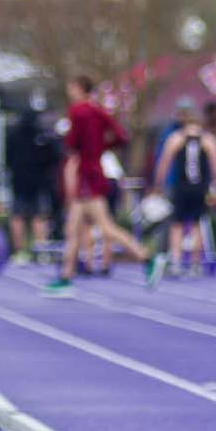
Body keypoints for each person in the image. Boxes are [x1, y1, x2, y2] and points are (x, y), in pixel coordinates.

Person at [43, 76, 165, 297]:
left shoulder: (78, 111)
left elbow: (71, 144)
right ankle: (66, 276)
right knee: (72, 229)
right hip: (95, 171)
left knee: (106, 228)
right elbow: (121, 136)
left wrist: (87, 149)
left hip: (87, 177)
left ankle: (146, 257)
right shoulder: (98, 111)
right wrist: (101, 147)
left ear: (79, 88)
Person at [154, 107, 216, 273]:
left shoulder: (176, 138)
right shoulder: (208, 139)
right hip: (200, 187)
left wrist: (158, 184)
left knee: (177, 224)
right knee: (196, 224)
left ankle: (176, 262)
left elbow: (164, 162)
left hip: (181, 187)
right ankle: (194, 263)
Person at [6, 109, 61, 263]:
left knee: (21, 216)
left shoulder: (14, 135)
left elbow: (8, 159)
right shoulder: (42, 136)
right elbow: (54, 158)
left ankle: (21, 252)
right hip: (37, 182)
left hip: (22, 182)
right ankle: (39, 251)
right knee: (37, 216)